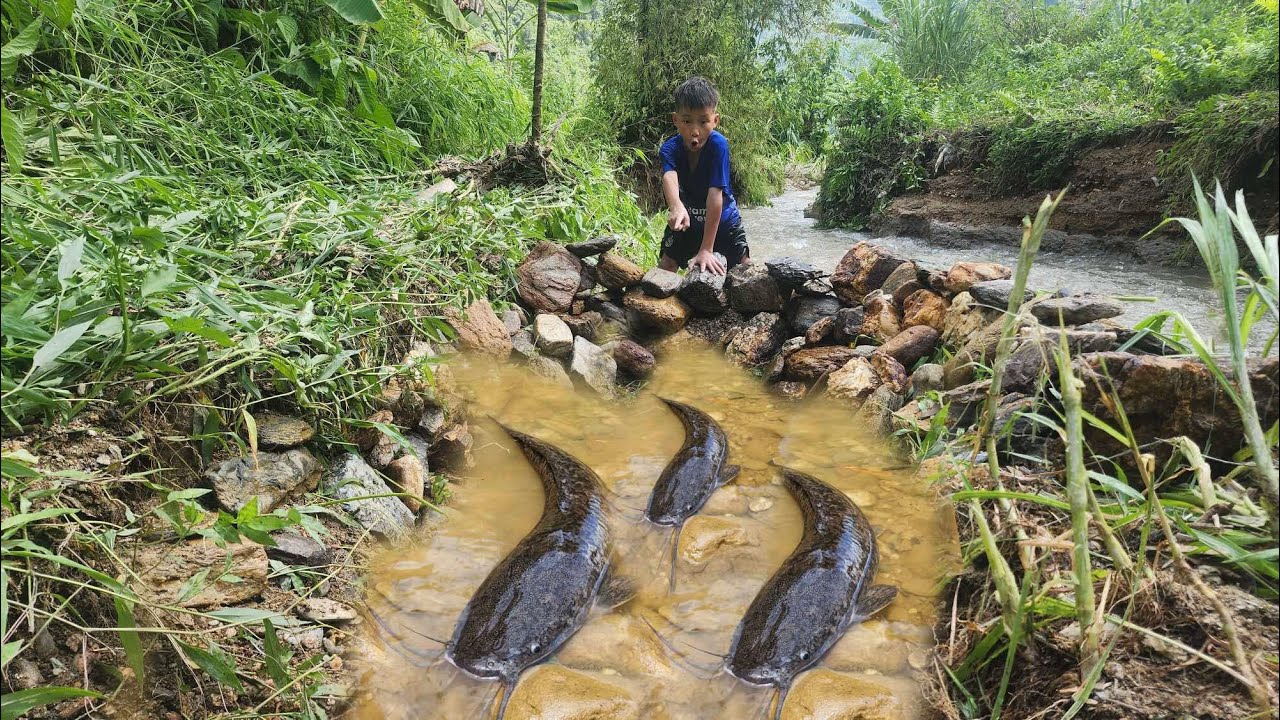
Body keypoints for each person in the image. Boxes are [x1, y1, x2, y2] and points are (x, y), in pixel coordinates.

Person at [658, 77, 750, 276]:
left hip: (723, 221)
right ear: (675, 120)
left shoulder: (718, 146)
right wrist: (676, 205)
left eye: (703, 121)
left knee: (746, 270)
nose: (695, 131)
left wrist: (706, 249)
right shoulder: (669, 149)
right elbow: (669, 175)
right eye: (687, 121)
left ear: (715, 121)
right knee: (666, 265)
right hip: (688, 221)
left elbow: (715, 196)